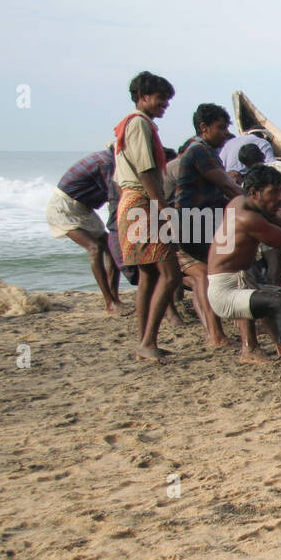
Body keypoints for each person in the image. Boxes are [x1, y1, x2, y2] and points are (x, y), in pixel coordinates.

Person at [206, 165, 281, 377]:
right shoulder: (248, 219)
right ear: (254, 193)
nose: (279, 199)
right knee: (278, 302)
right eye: (274, 193)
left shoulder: (239, 203)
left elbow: (276, 222)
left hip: (239, 280)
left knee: (277, 296)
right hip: (225, 292)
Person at [113, 70, 179, 362]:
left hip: (130, 202)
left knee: (148, 273)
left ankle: (145, 341)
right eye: (161, 99)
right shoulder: (139, 124)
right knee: (170, 273)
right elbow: (147, 171)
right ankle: (148, 340)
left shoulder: (129, 124)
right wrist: (162, 208)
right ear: (143, 97)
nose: (164, 104)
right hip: (142, 202)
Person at [175, 102, 241, 347]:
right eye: (221, 128)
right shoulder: (200, 150)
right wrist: (252, 205)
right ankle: (217, 334)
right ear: (204, 128)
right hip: (195, 223)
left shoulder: (201, 149)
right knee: (213, 273)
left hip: (197, 221)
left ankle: (216, 331)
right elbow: (228, 186)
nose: (225, 133)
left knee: (206, 274)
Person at [46, 146, 126, 314]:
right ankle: (109, 302)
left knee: (110, 247)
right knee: (94, 248)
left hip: (82, 209)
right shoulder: (107, 163)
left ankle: (115, 298)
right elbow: (115, 197)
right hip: (63, 208)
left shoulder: (110, 160)